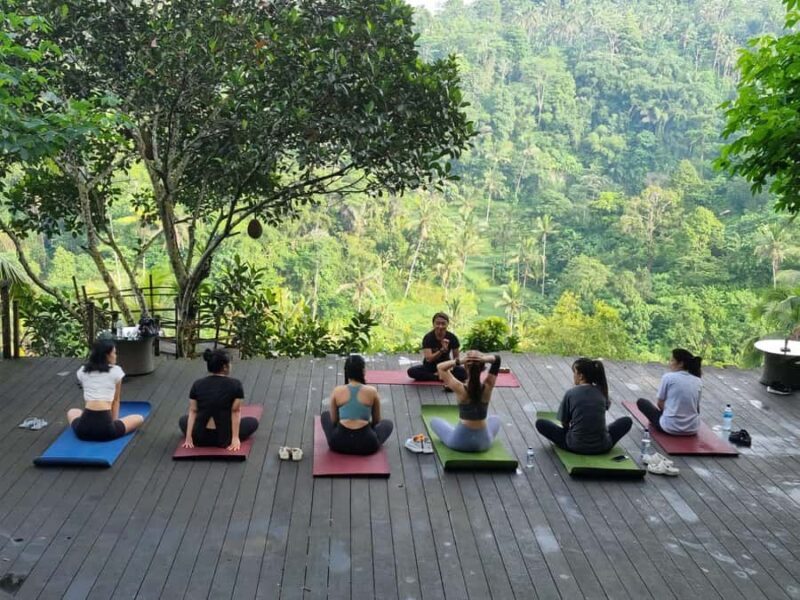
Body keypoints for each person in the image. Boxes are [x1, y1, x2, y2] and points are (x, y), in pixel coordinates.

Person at [535, 358, 632, 454]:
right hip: (602, 446)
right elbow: (603, 409)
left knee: (541, 423)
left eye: (574, 373)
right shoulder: (602, 391)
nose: (574, 376)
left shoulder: (571, 393)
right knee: (627, 421)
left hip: (575, 446)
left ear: (581, 376)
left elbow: (564, 422)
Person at [180, 348, 259, 451]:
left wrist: (189, 437)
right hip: (224, 438)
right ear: (225, 367)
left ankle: (196, 435)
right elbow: (235, 411)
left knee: (183, 420)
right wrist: (235, 438)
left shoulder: (197, 384)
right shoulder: (236, 384)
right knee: (253, 422)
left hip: (200, 438)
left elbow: (193, 411)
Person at [68, 340, 145, 441]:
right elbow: (116, 401)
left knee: (72, 411)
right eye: (114, 353)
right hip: (106, 432)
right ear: (107, 356)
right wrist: (114, 423)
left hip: (83, 430)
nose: (116, 356)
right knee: (139, 418)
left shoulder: (82, 371)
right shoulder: (116, 371)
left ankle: (92, 427)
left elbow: (88, 400)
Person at [428, 350, 502, 452]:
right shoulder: (488, 386)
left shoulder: (460, 388)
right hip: (484, 443)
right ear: (483, 367)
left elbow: (440, 367)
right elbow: (497, 359)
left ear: (465, 367)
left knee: (434, 421)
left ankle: (456, 431)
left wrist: (460, 361)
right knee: (495, 419)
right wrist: (483, 359)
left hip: (459, 443)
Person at [321, 354, 394, 455]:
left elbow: (333, 421)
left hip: (338, 443)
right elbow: (377, 421)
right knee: (388, 424)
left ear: (346, 372)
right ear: (363, 371)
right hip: (367, 445)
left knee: (325, 415)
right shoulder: (372, 391)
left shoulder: (337, 391)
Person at [636, 348, 702, 435]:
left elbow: (660, 403)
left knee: (642, 402)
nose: (669, 363)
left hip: (669, 427)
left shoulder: (668, 377)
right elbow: (696, 408)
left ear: (681, 364)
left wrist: (671, 412)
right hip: (692, 428)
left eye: (672, 360)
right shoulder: (698, 381)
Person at [407, 312, 467, 382]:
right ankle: (440, 376)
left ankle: (439, 376)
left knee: (464, 373)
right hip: (430, 367)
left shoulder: (452, 337)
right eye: (438, 323)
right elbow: (429, 359)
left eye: (443, 324)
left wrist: (451, 367)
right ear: (433, 324)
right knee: (411, 371)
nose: (440, 326)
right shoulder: (428, 338)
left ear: (447, 324)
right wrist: (441, 350)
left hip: (445, 366)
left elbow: (456, 358)